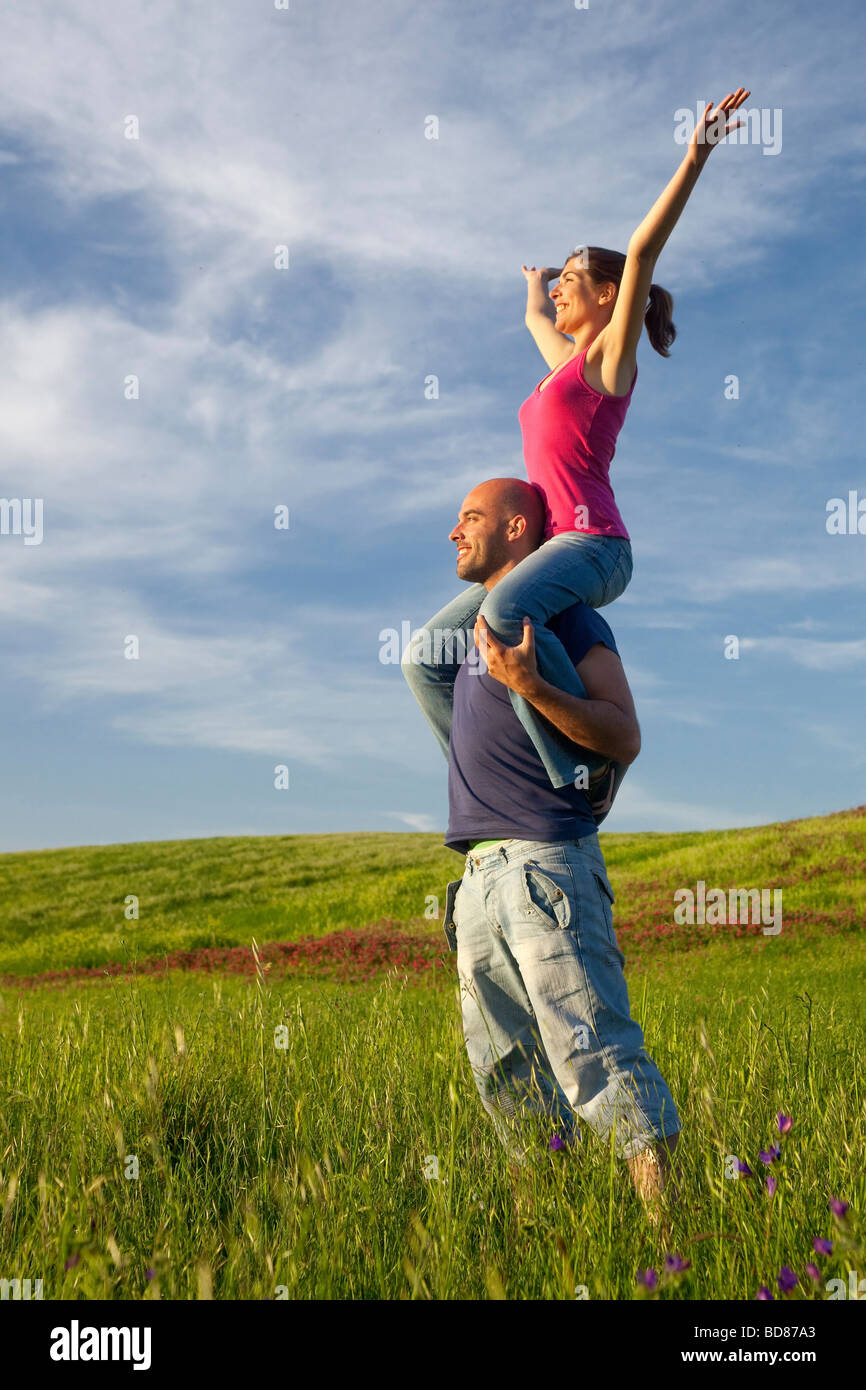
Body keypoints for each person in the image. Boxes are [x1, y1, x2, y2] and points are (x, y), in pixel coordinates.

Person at [403, 88, 750, 801]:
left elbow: (645, 250)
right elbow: (536, 315)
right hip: (551, 549)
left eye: (570, 282)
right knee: (424, 657)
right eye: (556, 282)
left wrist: (695, 158)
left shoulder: (606, 365)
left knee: (502, 617)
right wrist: (534, 284)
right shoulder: (559, 367)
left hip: (595, 546)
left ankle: (578, 771)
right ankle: (481, 779)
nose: (558, 293)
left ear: (608, 295)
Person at [405, 476, 681, 1219]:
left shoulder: (567, 620)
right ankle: (555, 1237)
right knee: (506, 1075)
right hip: (479, 875)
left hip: (545, 862)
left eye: (470, 518)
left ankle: (672, 1239)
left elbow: (623, 734)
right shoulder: (465, 640)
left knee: (595, 1053)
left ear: (519, 527)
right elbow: (423, 664)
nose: (454, 532)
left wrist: (532, 684)